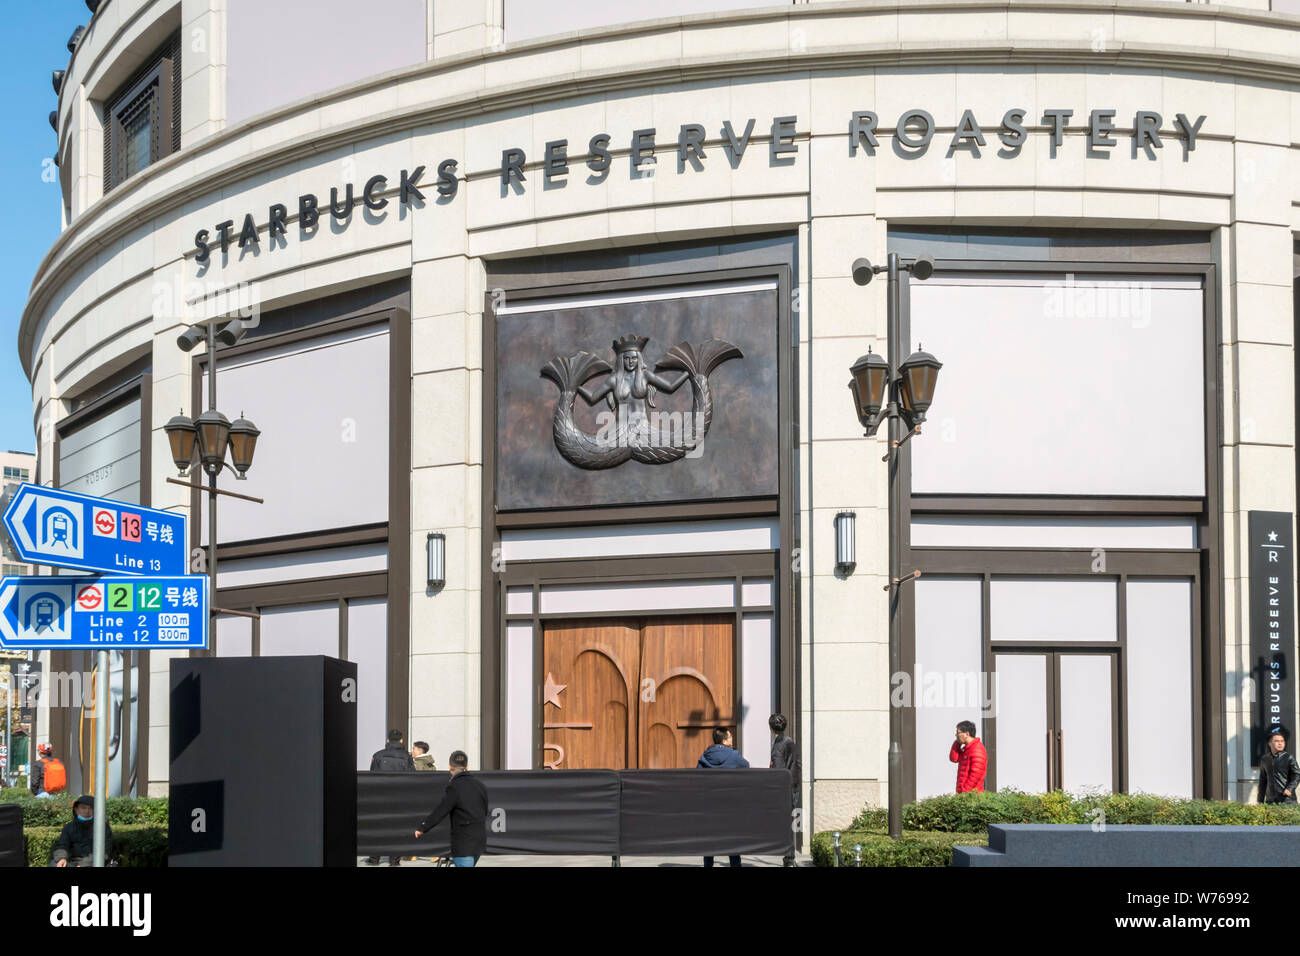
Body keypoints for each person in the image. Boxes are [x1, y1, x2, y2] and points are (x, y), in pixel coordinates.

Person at [415, 750, 488, 867]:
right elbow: (485, 809)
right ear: (467, 766)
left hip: (463, 843)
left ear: (450, 767)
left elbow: (441, 810)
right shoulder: (480, 785)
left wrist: (423, 827)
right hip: (479, 841)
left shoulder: (454, 787)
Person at [697, 726, 749, 867]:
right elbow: (746, 767)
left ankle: (708, 865)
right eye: (730, 737)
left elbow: (698, 779)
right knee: (733, 838)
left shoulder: (705, 756)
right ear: (725, 741)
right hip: (730, 805)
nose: (732, 739)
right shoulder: (734, 756)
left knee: (709, 839)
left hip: (709, 806)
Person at [367, 730, 416, 865]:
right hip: (401, 799)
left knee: (377, 827)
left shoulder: (378, 755)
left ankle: (374, 858)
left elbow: (372, 777)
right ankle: (394, 860)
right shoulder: (407, 757)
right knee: (398, 829)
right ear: (401, 741)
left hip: (380, 798)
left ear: (388, 740)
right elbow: (413, 778)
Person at [769, 714, 801, 867]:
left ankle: (789, 859)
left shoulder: (778, 745)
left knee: (786, 824)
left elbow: (778, 769)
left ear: (771, 728)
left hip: (784, 788)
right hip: (794, 786)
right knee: (792, 823)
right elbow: (797, 764)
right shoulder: (790, 742)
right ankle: (790, 858)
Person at [50, 795, 111, 868]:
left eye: (91, 808)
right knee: (55, 864)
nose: (87, 811)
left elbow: (104, 852)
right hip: (73, 863)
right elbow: (62, 845)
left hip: (94, 863)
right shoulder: (69, 827)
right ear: (76, 810)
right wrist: (61, 858)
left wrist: (83, 864)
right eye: (83, 808)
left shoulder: (103, 827)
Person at [1257, 730, 1300, 804]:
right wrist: (1260, 799)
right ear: (1270, 743)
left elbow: (1297, 774)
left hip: (1287, 800)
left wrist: (1290, 788)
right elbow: (1263, 780)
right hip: (1270, 801)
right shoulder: (1265, 759)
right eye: (1276, 741)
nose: (1280, 743)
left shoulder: (1288, 757)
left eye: (1282, 741)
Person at [950, 720, 988, 794]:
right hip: (964, 795)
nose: (956, 735)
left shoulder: (977, 749)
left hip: (972, 796)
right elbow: (954, 758)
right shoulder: (967, 749)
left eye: (958, 733)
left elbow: (976, 774)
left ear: (967, 734)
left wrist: (964, 792)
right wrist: (957, 743)